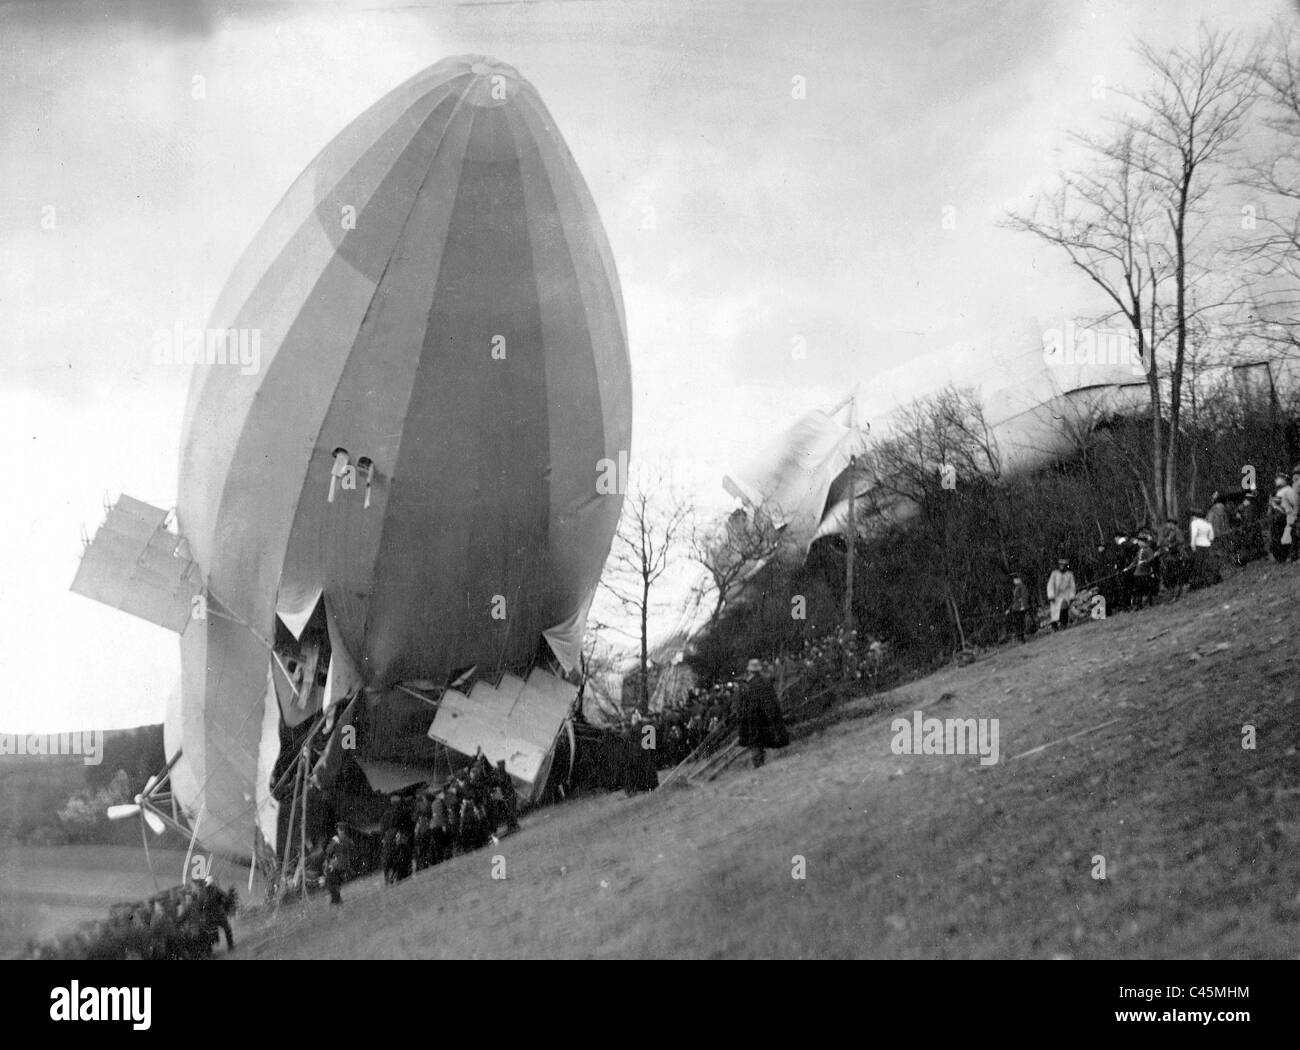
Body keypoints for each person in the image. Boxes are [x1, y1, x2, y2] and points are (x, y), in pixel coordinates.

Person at [736, 658, 788, 769]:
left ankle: (758, 763)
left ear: (750, 671)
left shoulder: (748, 686)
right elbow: (772, 700)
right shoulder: (765, 681)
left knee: (755, 740)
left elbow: (744, 704)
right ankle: (760, 760)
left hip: (753, 717)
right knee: (764, 737)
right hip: (765, 715)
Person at [1188, 507, 1219, 589]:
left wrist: (1193, 546)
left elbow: (1194, 536)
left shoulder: (1194, 523)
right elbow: (1211, 537)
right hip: (1207, 545)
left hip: (1198, 546)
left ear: (1195, 516)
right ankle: (1211, 580)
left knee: (1199, 565)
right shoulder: (1208, 524)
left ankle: (1201, 583)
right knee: (1208, 564)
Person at [1268, 472, 1297, 563]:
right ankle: (1289, 555)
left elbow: (1271, 509)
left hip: (1278, 518)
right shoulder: (1288, 490)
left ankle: (1282, 556)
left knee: (1281, 537)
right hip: (1285, 516)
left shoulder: (1277, 493)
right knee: (1289, 536)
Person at [323, 823, 352, 905]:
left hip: (338, 865)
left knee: (331, 882)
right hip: (346, 865)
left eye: (338, 829)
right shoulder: (348, 839)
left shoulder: (336, 839)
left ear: (340, 830)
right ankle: (336, 899)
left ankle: (336, 900)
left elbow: (328, 850)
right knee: (336, 883)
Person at [1046, 558, 1076, 631]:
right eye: (1061, 565)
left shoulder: (1069, 574)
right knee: (1055, 612)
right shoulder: (1054, 574)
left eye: (1064, 565)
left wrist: (1072, 596)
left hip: (1065, 594)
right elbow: (1050, 585)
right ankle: (1054, 626)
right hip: (1056, 595)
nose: (1062, 566)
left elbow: (1072, 586)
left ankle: (1064, 624)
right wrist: (1051, 595)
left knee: (1064, 609)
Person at [1007, 572, 1032, 642]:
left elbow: (1025, 597)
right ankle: (1020, 638)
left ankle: (1021, 638)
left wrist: (1023, 607)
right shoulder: (1016, 588)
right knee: (1017, 623)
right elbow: (1015, 600)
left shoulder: (1022, 587)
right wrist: (1010, 609)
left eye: (1015, 579)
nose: (1014, 581)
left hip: (1020, 609)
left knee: (1020, 623)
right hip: (1016, 609)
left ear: (1019, 579)